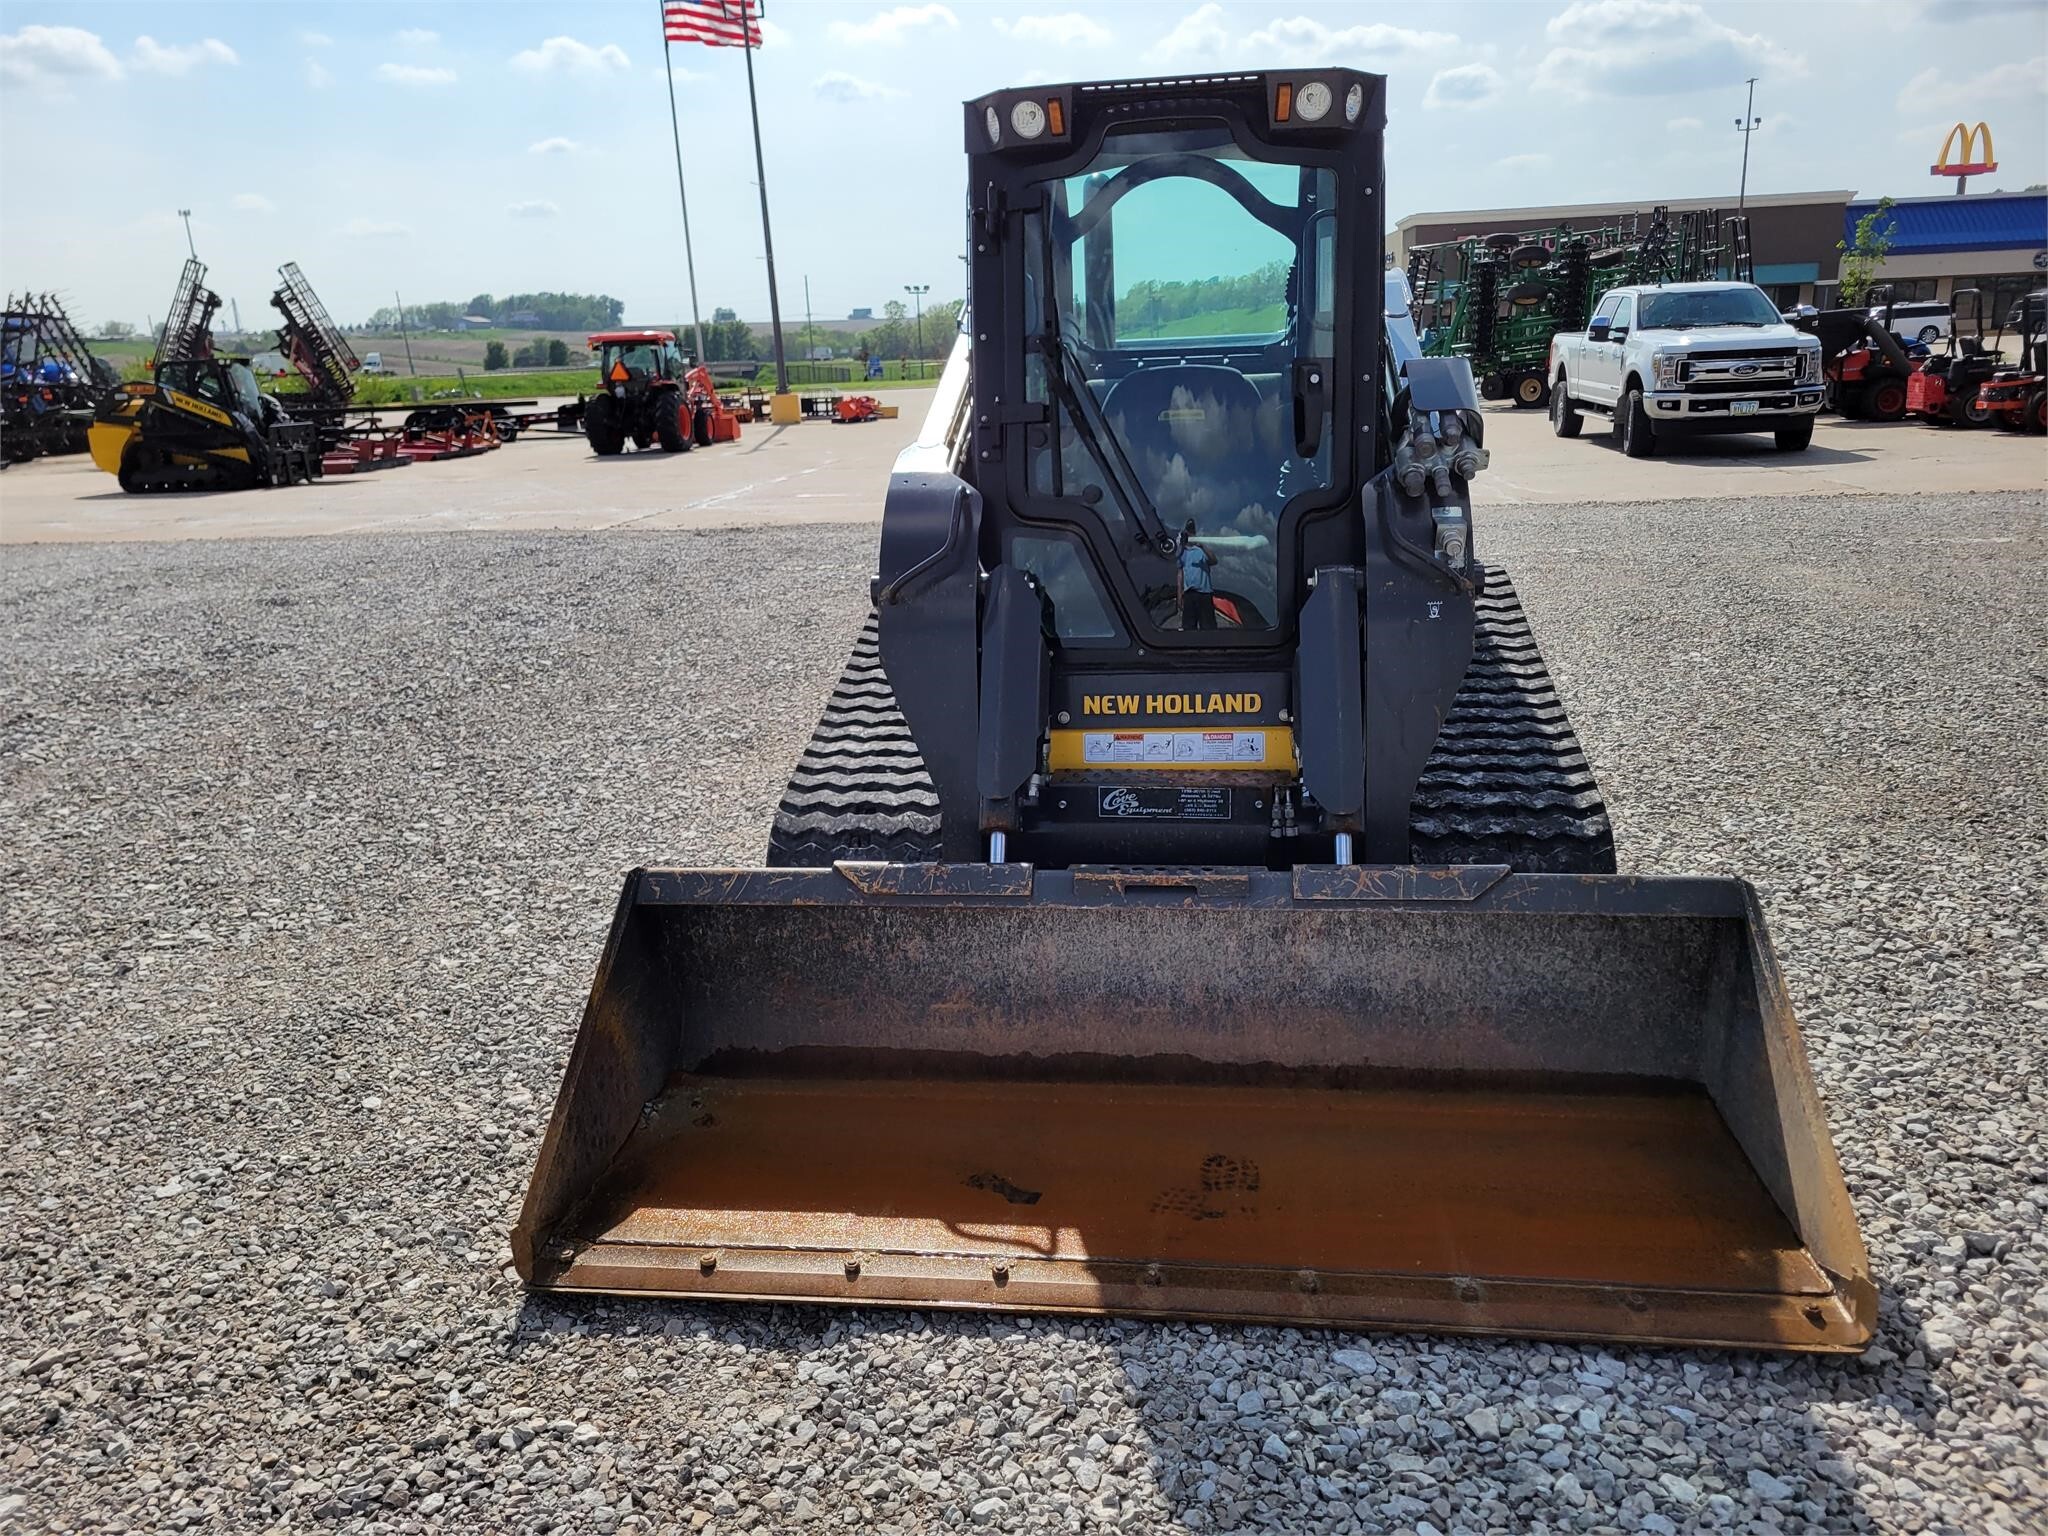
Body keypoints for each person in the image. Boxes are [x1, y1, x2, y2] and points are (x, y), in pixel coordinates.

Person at [1177, 519, 1216, 630]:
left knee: (1208, 627)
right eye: (1188, 532)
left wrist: (1202, 545)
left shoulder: (1201, 551)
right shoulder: (1182, 553)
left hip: (1205, 593)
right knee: (1189, 627)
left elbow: (1214, 560)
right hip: (1189, 593)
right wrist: (1179, 595)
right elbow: (1180, 573)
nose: (1190, 534)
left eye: (1192, 532)